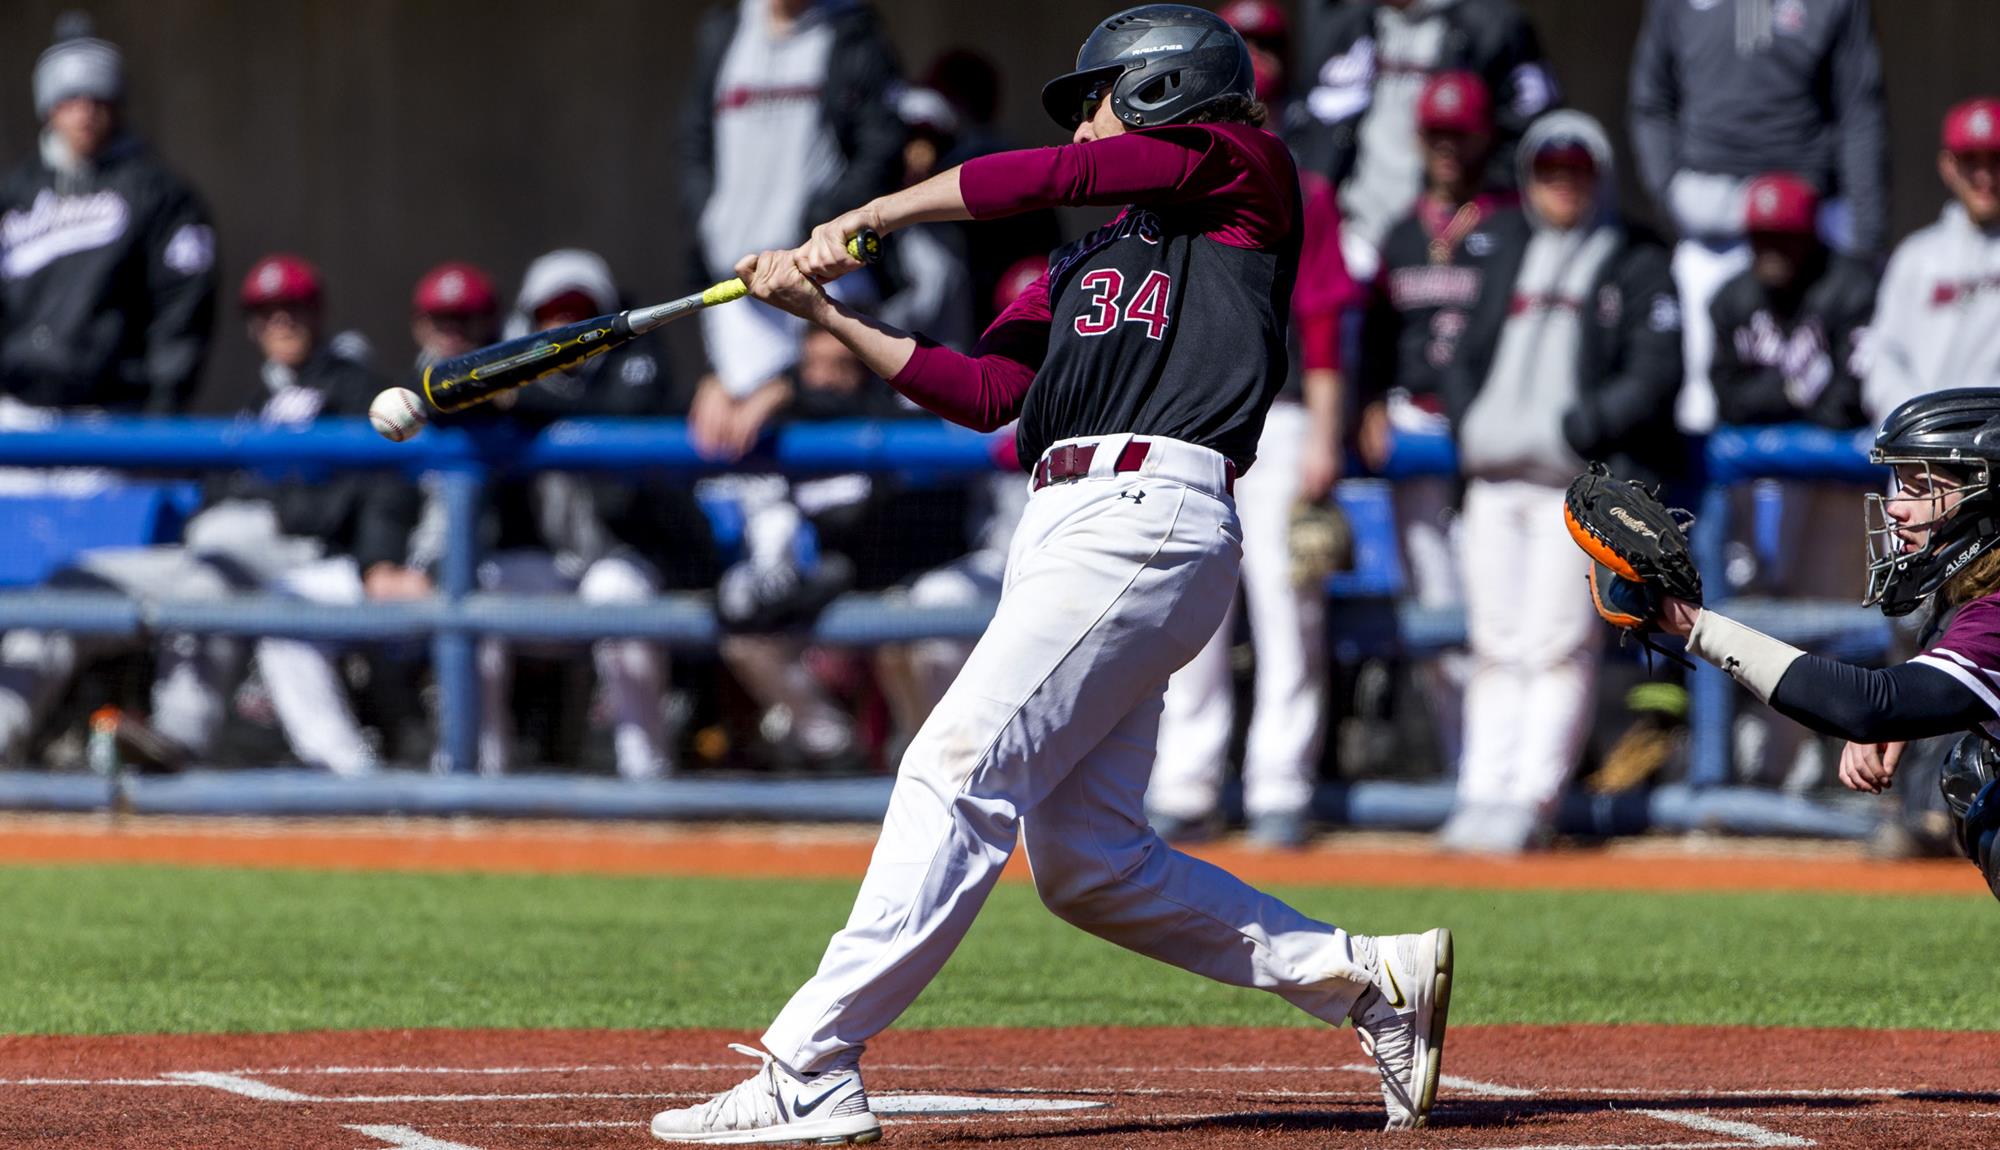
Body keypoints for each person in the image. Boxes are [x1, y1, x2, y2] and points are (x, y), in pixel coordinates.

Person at [648, 8, 1452, 1143]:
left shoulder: (1245, 171)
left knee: (952, 765)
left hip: (1146, 509)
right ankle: (1367, 982)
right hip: (1071, 526)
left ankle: (808, 1063)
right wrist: (821, 310)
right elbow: (983, 390)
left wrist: (868, 214)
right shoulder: (1086, 255)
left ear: (1166, 86)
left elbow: (1057, 168)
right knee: (1087, 864)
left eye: (1098, 93)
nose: (1082, 121)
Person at [0, 255, 419, 773]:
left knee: (209, 585)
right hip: (211, 544)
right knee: (69, 586)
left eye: (293, 308)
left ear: (318, 312)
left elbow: (388, 482)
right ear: (252, 324)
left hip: (294, 549)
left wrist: (378, 558)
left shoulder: (356, 386)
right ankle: (4, 734)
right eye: (267, 312)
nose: (281, 321)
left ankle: (179, 742)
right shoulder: (255, 401)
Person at [1629, 387, 2000, 903]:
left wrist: (1697, 625)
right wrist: (1907, 717)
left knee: (1982, 781)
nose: (1896, 507)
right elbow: (1907, 691)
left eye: (1923, 487)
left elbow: (1871, 705)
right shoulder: (1975, 595)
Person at [1437, 110, 1683, 853]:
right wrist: (1466, 421)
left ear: (1599, 177)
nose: (1563, 184)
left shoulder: (1634, 257)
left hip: (1571, 488)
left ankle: (1533, 797)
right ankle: (1481, 791)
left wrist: (1583, 428)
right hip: (1490, 482)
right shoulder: (1504, 248)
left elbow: (1656, 372)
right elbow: (1458, 353)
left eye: (1576, 170)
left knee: (1554, 644)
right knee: (1493, 644)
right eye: (1549, 170)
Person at [1146, 0, 1355, 849]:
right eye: (1247, 43)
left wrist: (1329, 435)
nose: (1261, 58)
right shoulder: (1169, 185)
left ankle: (1280, 785)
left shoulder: (1303, 188)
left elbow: (1328, 319)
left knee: (1285, 607)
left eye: (1272, 42)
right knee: (1192, 602)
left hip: (1283, 417)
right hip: (1195, 413)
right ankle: (1187, 782)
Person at [416, 250, 707, 779]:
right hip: (552, 569)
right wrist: (485, 389)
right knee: (477, 589)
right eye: (552, 314)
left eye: (579, 311)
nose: (566, 326)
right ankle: (478, 776)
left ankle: (646, 778)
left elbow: (628, 409)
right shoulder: (514, 367)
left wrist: (523, 403)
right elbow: (441, 402)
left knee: (616, 594)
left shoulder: (635, 362)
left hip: (627, 561)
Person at [1629, 0, 1886, 434]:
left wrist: (1864, 240)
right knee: (1702, 408)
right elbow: (1651, 100)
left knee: (1836, 401)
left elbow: (1859, 110)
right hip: (1711, 223)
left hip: (1809, 224)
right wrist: (1671, 192)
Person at [1355, 69, 1508, 775]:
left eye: (1461, 132)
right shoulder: (1398, 234)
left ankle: (1499, 765)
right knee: (1436, 606)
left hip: (1487, 432)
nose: (1448, 146)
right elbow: (1375, 343)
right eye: (1436, 133)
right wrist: (1365, 408)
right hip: (1414, 427)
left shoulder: (1511, 224)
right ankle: (1461, 764)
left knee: (1495, 606)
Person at [1708, 173, 1879, 790]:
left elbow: (1849, 401)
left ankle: (1829, 763)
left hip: (1835, 487)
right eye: (1761, 237)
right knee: (1748, 615)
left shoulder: (1853, 285)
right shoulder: (1731, 298)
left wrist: (1776, 399)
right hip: (1754, 487)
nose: (1772, 250)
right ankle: (1770, 760)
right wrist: (1790, 392)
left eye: (1785, 236)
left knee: (1827, 622)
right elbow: (1727, 396)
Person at [681, 0, 905, 462]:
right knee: (737, 450)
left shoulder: (851, 33)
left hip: (822, 267)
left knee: (834, 446)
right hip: (739, 275)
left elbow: (881, 147)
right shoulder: (725, 31)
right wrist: (709, 219)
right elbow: (694, 142)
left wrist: (822, 226)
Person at [0, 17, 216, 416]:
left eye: (98, 99)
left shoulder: (158, 193)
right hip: (16, 414)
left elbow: (182, 311)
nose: (85, 113)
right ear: (49, 109)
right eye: (71, 100)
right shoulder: (15, 195)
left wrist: (160, 409)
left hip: (110, 416)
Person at [1300, 0, 1556, 280]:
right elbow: (1313, 125)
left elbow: (1536, 133)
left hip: (1447, 238)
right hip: (1354, 237)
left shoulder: (1493, 23)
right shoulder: (1350, 21)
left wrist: (1477, 211)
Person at [1863, 98, 2000, 425]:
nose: (1985, 176)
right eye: (1971, 161)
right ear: (1948, 166)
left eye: (1995, 160)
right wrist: (1919, 426)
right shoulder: (1916, 256)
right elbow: (1881, 358)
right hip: (1925, 458)